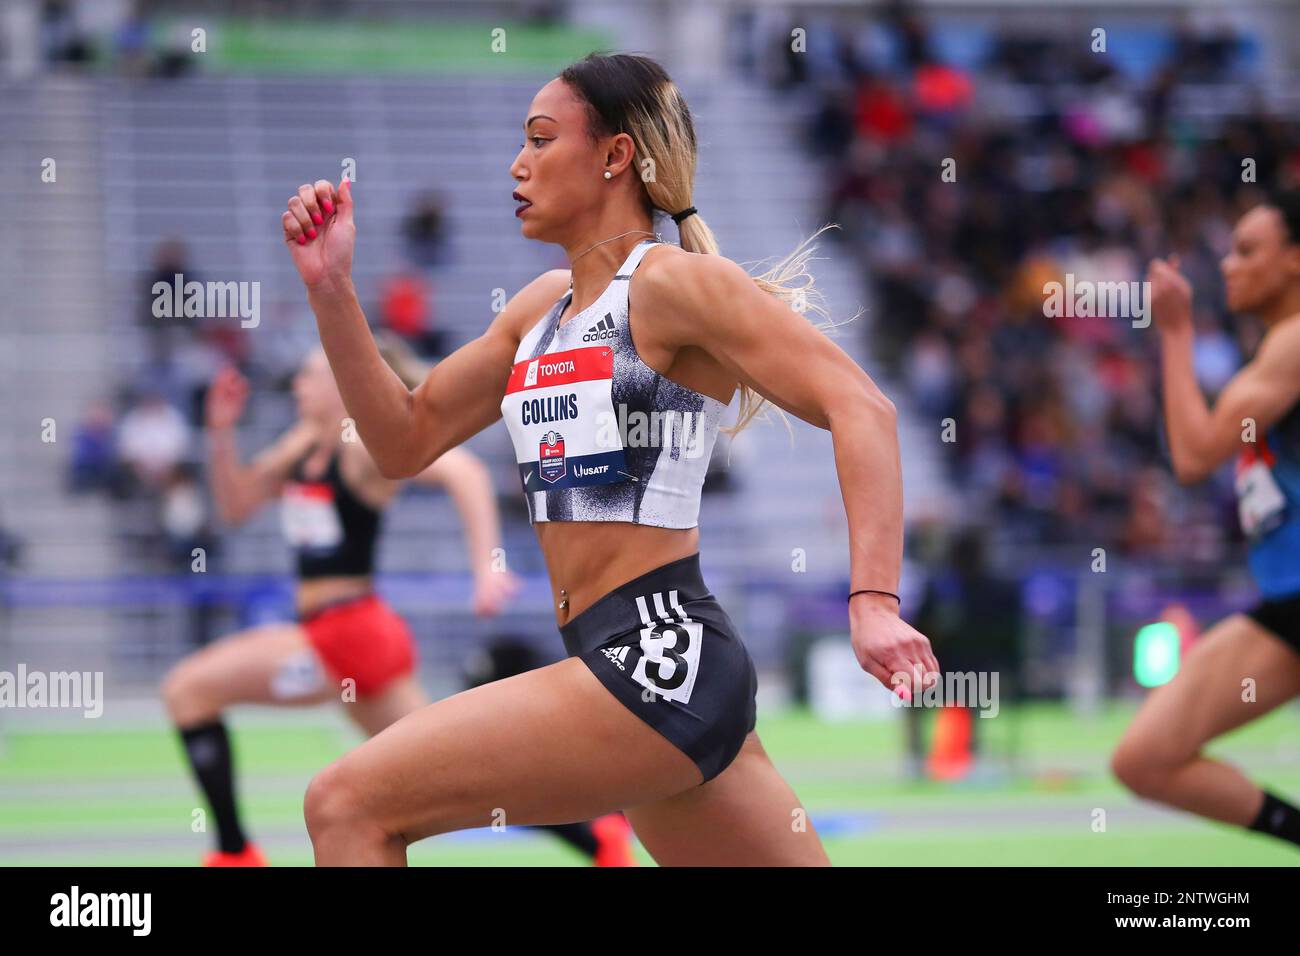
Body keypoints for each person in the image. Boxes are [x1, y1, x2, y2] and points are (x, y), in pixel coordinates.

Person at [282, 52, 935, 866]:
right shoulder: (536, 313)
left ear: (616, 156)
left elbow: (861, 407)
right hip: (621, 666)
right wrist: (332, 290)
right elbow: (403, 438)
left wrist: (873, 601)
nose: (517, 164)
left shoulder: (673, 285)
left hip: (662, 656)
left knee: (344, 805)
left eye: (542, 140)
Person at [162, 346, 536, 865]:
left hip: (347, 633)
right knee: (459, 770)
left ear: (344, 380)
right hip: (340, 639)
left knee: (188, 689)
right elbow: (236, 505)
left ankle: (233, 853)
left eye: (311, 375)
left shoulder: (361, 448)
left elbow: (466, 474)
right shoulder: (301, 445)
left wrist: (488, 565)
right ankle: (596, 838)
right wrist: (219, 435)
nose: (297, 386)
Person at [1112, 190, 1300, 849]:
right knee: (1146, 757)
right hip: (1287, 606)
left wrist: (1174, 330)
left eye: (1248, 251)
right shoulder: (1276, 352)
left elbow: (1192, 456)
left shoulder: (1295, 344)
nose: (1227, 264)